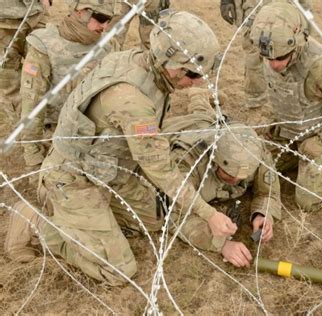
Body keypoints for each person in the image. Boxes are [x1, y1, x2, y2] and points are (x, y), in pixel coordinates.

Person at [4, 10, 222, 285]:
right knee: (118, 270)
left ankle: (90, 224)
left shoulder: (137, 63)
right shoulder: (131, 100)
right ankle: (35, 223)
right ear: (170, 63)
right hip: (74, 179)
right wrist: (209, 214)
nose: (197, 82)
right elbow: (159, 168)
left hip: (110, 170)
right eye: (192, 73)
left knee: (155, 219)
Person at [162, 88, 281, 267]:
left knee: (210, 117)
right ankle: (197, 95)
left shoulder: (255, 154)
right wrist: (221, 244)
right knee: (199, 117)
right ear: (215, 161)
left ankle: (201, 97)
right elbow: (173, 215)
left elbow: (268, 192)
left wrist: (263, 214)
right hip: (187, 129)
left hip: (220, 128)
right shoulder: (190, 162)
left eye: (242, 177)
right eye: (228, 174)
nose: (235, 181)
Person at [249, 1, 322, 211]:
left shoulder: (321, 66)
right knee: (251, 170)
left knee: (307, 199)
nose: (274, 65)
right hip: (291, 135)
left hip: (320, 138)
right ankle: (299, 158)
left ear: (298, 40)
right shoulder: (272, 51)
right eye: (268, 58)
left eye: (282, 57)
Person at [20, 0, 115, 169]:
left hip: (98, 131)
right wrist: (32, 153)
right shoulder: (44, 46)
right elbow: (32, 102)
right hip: (59, 131)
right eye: (101, 18)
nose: (105, 26)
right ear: (81, 12)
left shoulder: (107, 46)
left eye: (109, 19)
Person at [219, 0, 313, 108]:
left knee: (292, 49)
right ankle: (256, 101)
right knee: (254, 52)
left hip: (287, 10)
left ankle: (297, 97)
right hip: (255, 7)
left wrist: (305, 11)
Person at [0, 0, 50, 139]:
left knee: (43, 73)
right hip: (3, 21)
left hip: (36, 16)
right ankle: (29, 136)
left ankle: (48, 131)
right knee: (8, 82)